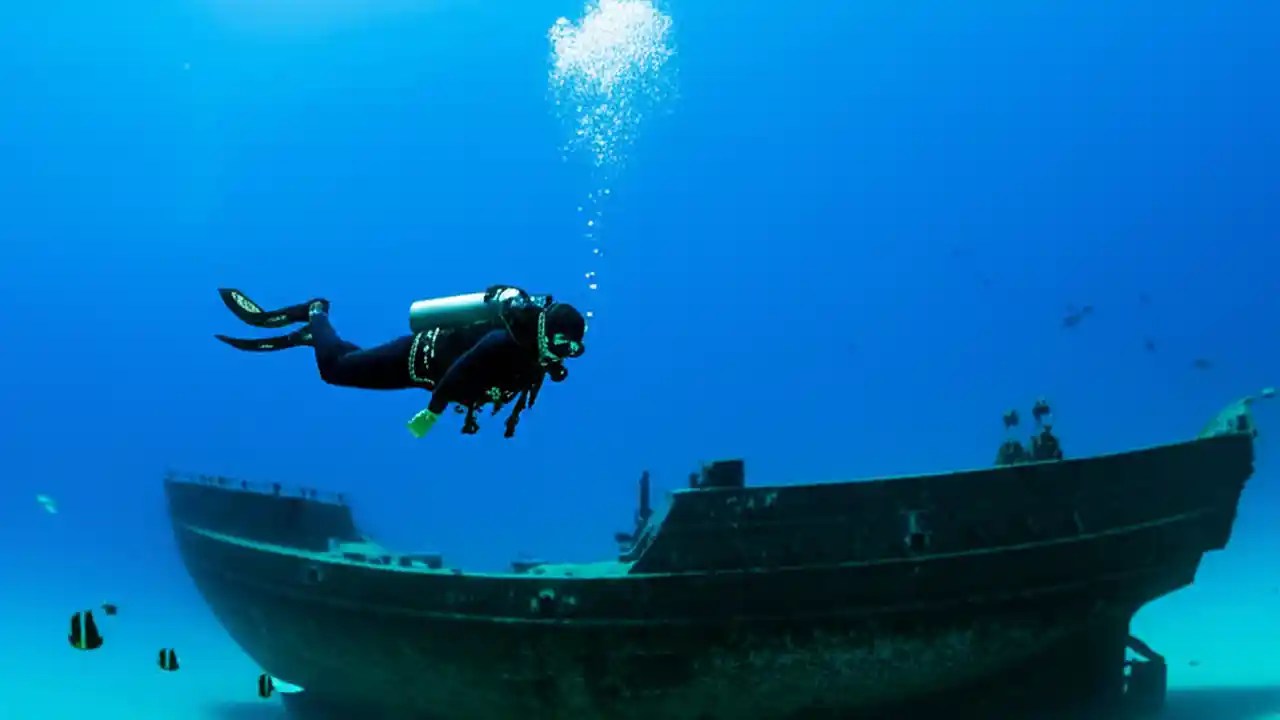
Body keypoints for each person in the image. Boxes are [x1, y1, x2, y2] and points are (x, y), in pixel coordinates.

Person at [214, 286, 586, 438]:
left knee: (349, 362)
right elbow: (462, 371)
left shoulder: (537, 357)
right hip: (414, 357)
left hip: (419, 373)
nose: (560, 354)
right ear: (545, 330)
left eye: (570, 350)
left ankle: (316, 335)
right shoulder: (503, 342)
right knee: (334, 371)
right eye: (558, 343)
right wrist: (432, 414)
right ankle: (316, 313)